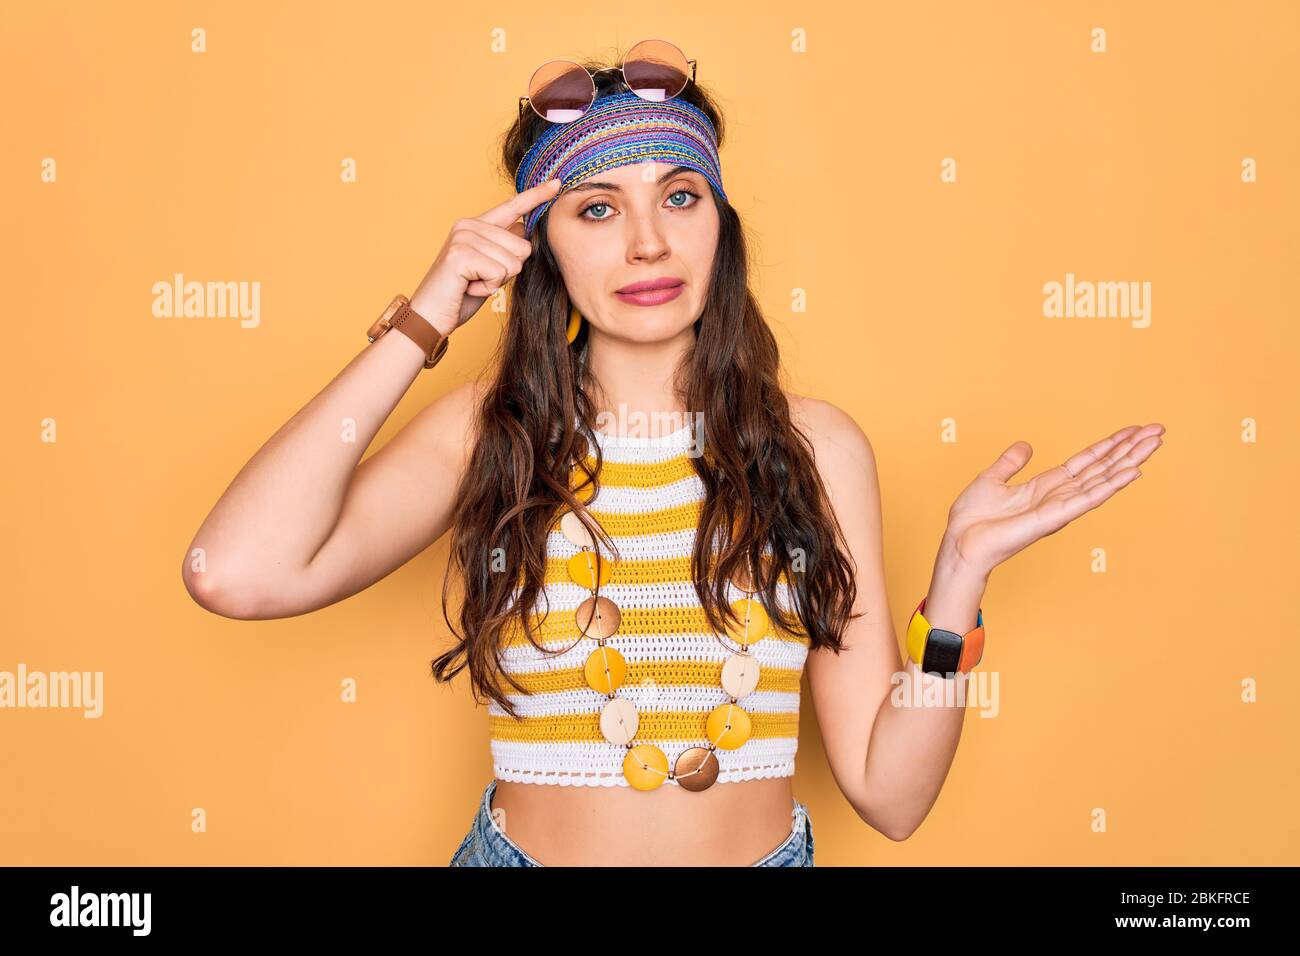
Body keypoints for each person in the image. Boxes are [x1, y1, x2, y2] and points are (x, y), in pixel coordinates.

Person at [181, 42, 1165, 867]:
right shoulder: (493, 431)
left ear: (721, 228)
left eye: (680, 197)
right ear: (542, 248)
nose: (647, 243)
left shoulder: (815, 448)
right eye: (597, 209)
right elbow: (232, 570)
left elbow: (890, 796)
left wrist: (957, 584)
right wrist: (430, 308)